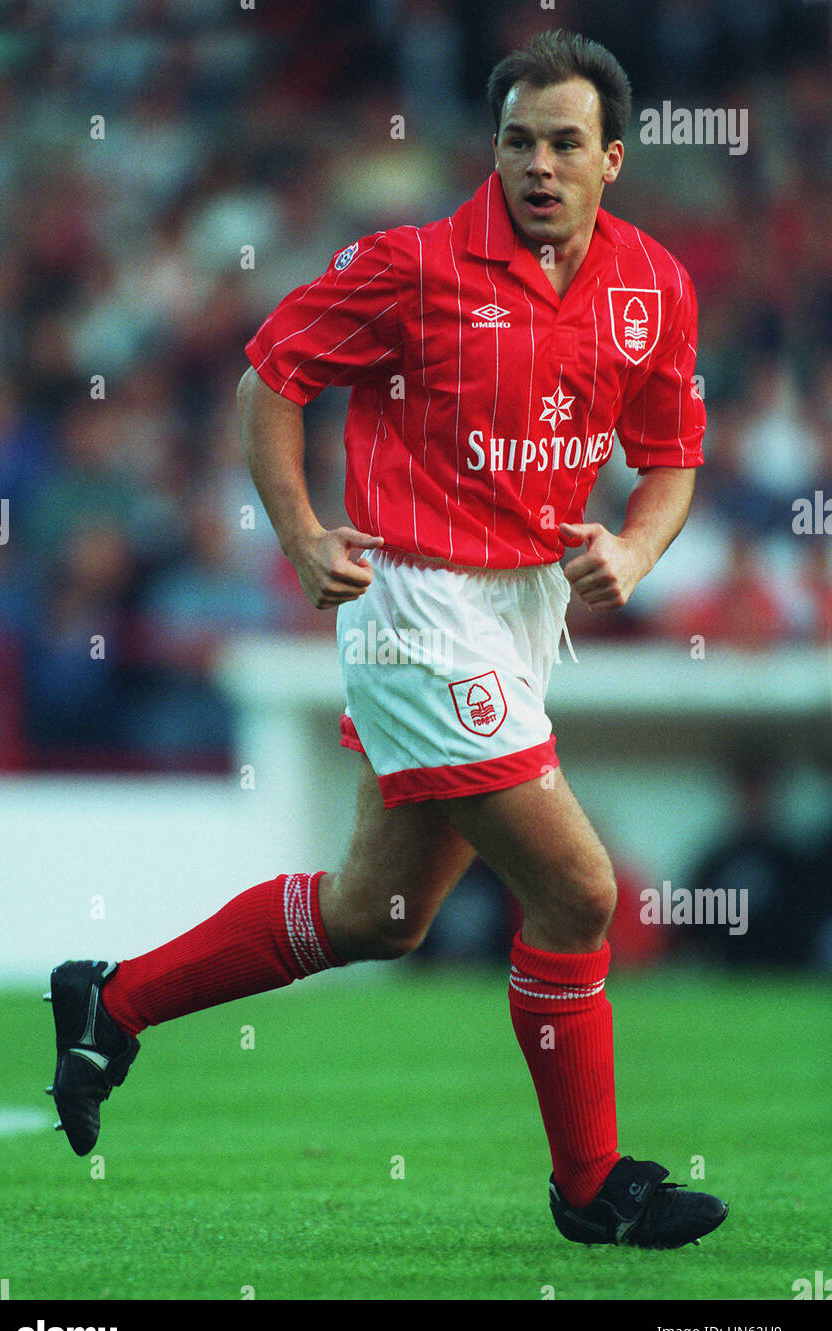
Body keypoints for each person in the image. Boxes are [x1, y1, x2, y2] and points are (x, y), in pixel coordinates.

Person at [46, 29, 727, 1250]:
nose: (537, 164)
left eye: (564, 143)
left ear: (611, 159)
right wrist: (302, 535)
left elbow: (671, 458)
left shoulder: (651, 287)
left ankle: (114, 1001)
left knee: (379, 913)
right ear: (494, 148)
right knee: (576, 888)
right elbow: (270, 377)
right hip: (417, 607)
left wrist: (632, 548)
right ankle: (590, 1187)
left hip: (520, 616)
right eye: (517, 140)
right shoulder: (410, 266)